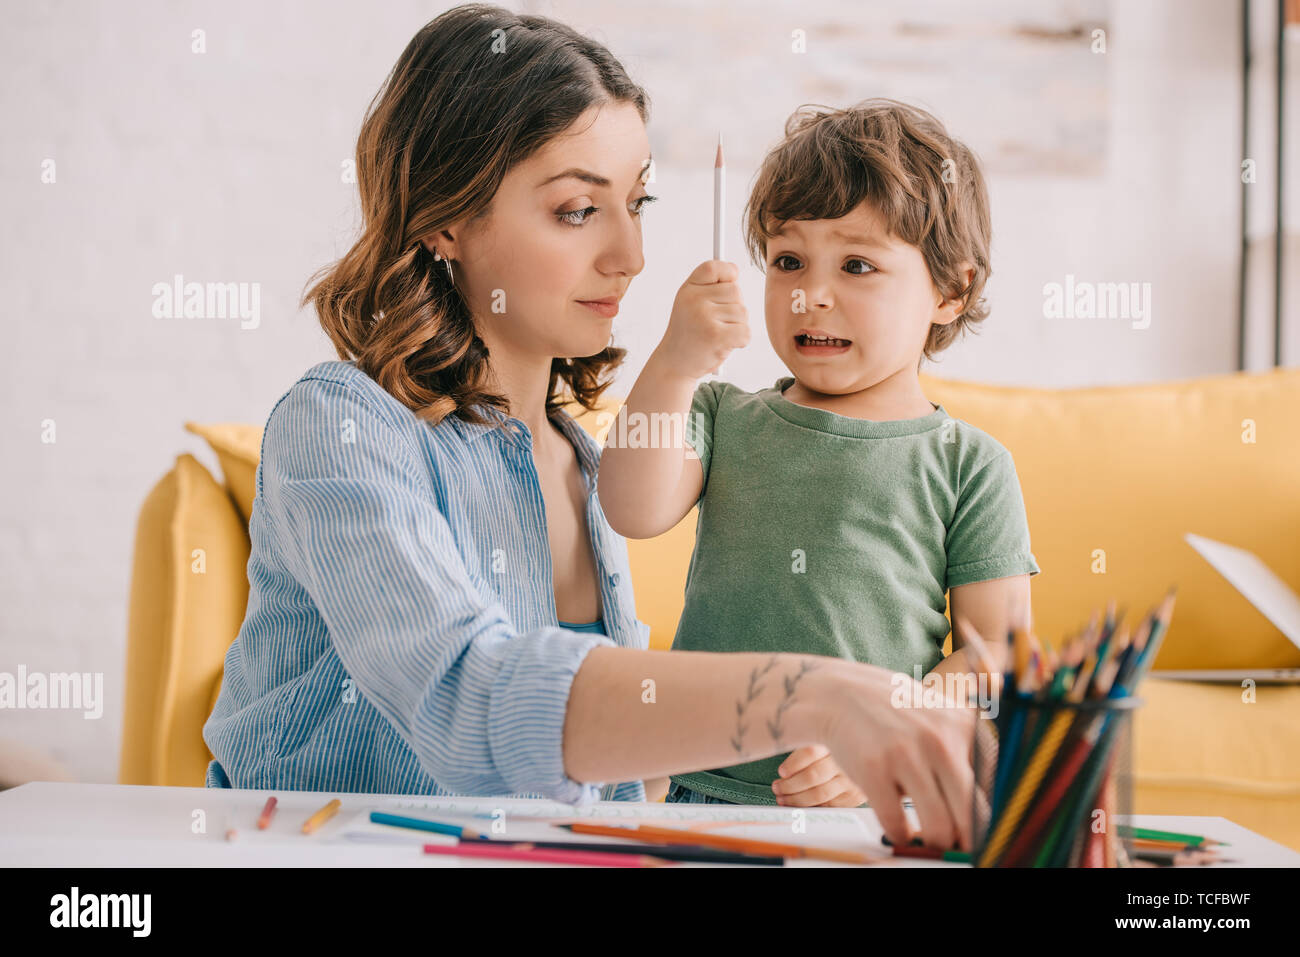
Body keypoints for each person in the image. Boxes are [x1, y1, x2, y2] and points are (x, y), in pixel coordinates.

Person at [202, 3, 977, 851]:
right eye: (578, 209)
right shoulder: (344, 429)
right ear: (443, 220)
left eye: (637, 201)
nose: (632, 254)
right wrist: (814, 694)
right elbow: (467, 699)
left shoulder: (580, 452)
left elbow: (607, 771)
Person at [598, 99, 1039, 807]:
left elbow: (995, 659)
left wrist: (887, 737)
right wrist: (676, 364)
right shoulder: (720, 415)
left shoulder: (970, 465)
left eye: (857, 264)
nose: (810, 296)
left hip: (875, 800)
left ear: (951, 291)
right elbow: (630, 506)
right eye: (789, 261)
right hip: (699, 789)